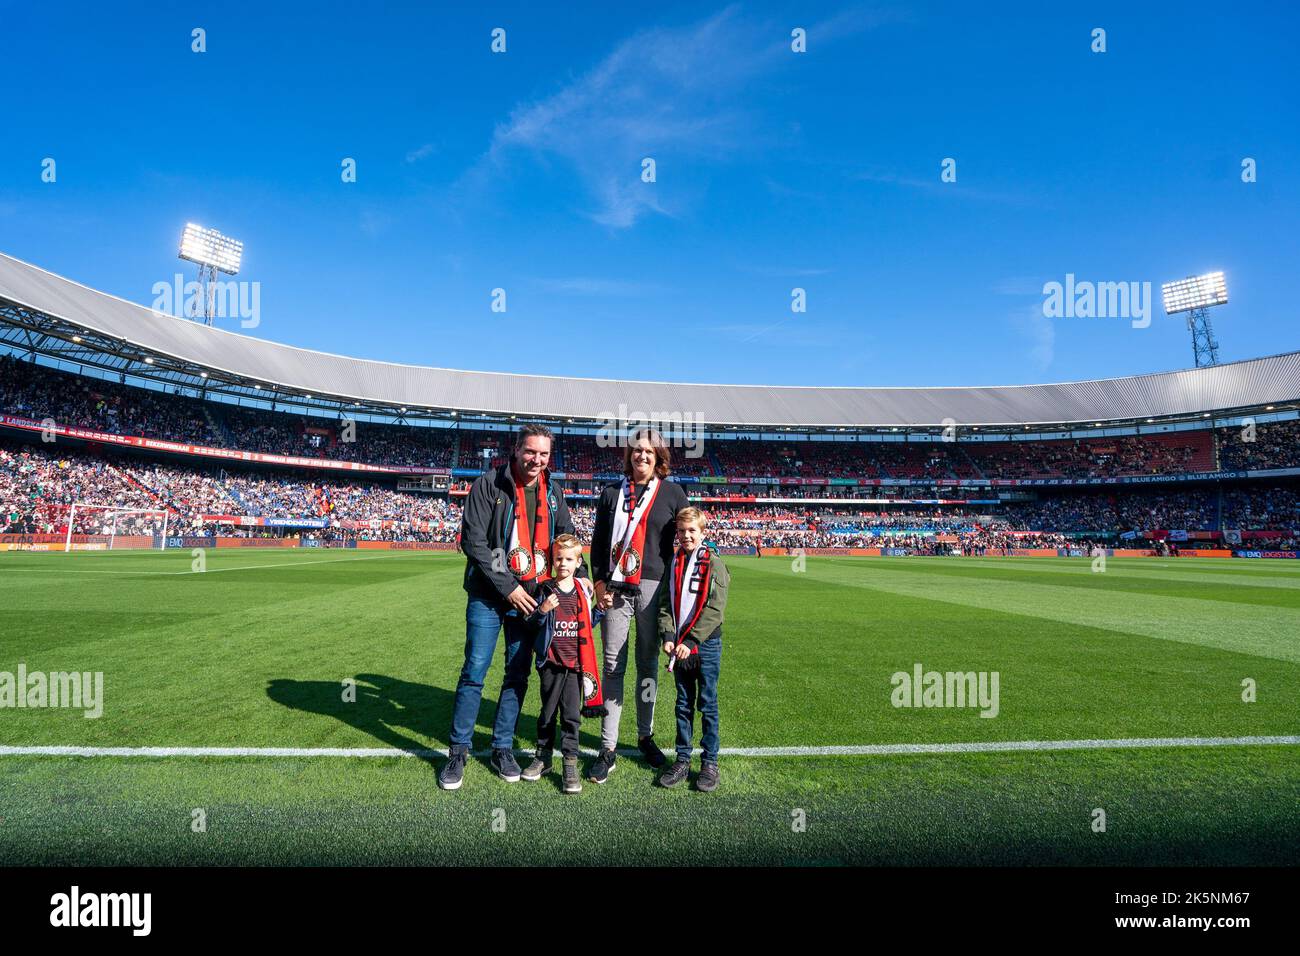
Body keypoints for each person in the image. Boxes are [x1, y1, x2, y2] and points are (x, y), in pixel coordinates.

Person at [439, 424, 583, 790]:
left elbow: (568, 539)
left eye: (544, 454)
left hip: (531, 599)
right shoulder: (489, 484)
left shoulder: (553, 492)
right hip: (490, 596)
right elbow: (474, 542)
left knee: (517, 675)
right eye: (531, 452)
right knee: (474, 670)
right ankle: (459, 750)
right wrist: (509, 588)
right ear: (517, 450)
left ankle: (502, 747)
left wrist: (582, 581)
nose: (537, 460)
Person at [586, 427, 689, 783]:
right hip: (615, 588)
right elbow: (598, 544)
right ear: (629, 455)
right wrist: (599, 583)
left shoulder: (673, 493)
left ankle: (645, 736)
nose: (641, 456)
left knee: (647, 665)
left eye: (648, 451)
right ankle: (607, 747)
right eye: (636, 451)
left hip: (652, 587)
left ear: (658, 457)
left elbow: (689, 538)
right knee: (613, 665)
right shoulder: (612, 493)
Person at [521, 534, 606, 794]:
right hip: (551, 665)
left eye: (569, 559)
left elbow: (586, 627)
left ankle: (569, 765)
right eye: (559, 558)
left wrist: (600, 610)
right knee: (547, 714)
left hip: (575, 668)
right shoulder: (544, 590)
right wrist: (543, 610)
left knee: (571, 717)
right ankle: (543, 758)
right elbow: (531, 625)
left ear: (578, 561)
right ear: (552, 560)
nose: (563, 563)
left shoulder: (583, 591)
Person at [657, 507, 730, 792]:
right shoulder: (674, 561)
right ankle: (683, 758)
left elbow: (715, 609)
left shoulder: (713, 562)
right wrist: (668, 635)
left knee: (707, 703)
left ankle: (709, 762)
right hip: (679, 646)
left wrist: (691, 641)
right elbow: (665, 602)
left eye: (691, 531)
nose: (686, 536)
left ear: (702, 532)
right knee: (683, 703)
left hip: (706, 644)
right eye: (681, 531)